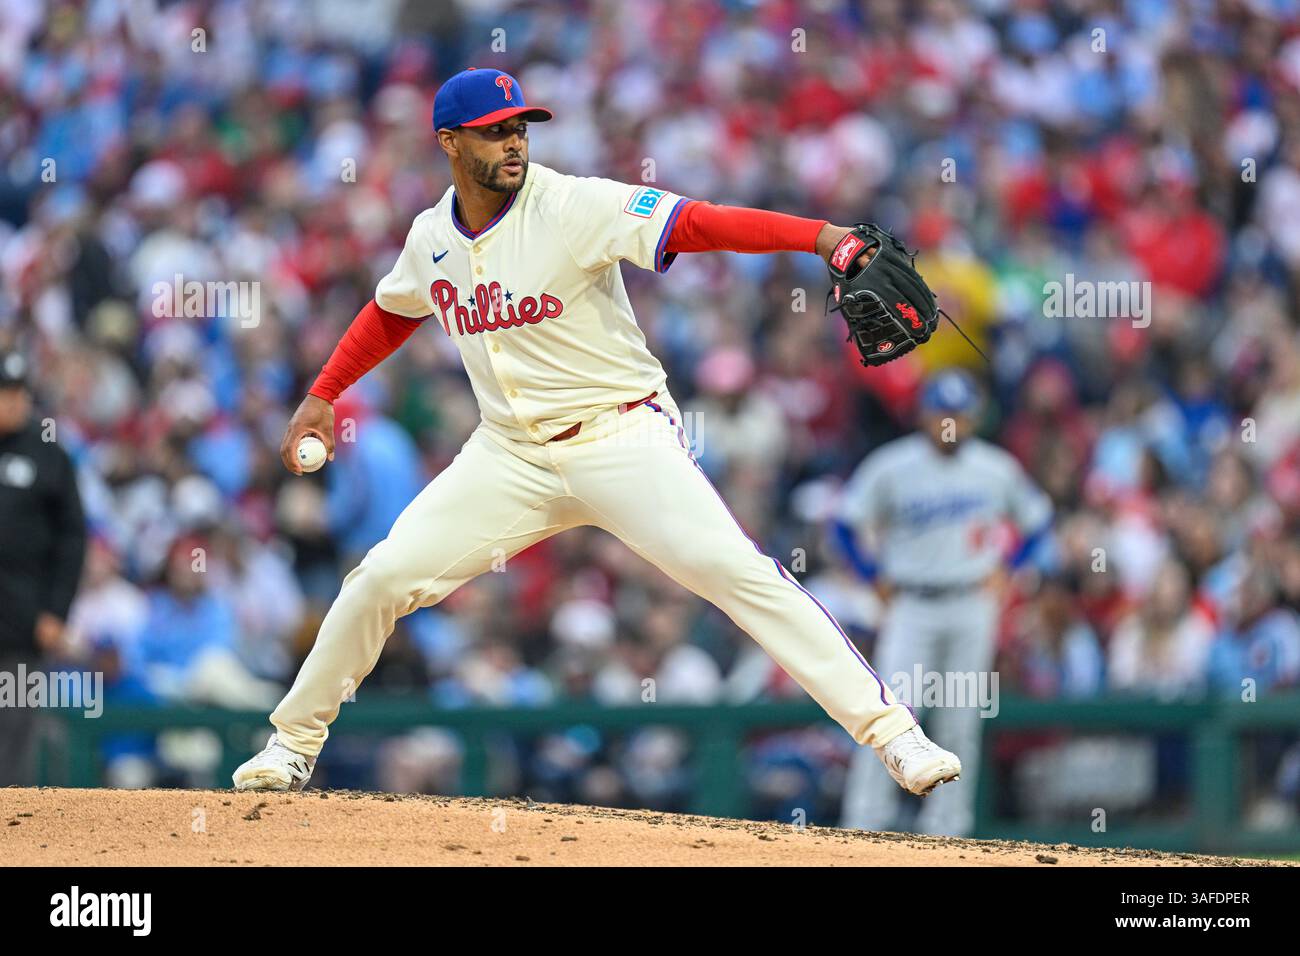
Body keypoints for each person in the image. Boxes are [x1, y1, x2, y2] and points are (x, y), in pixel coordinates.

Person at [233, 67, 959, 797]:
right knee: (381, 578)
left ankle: (893, 735)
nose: (514, 142)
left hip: (619, 437)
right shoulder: (431, 237)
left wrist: (822, 236)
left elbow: (696, 222)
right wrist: (325, 391)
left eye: (520, 126)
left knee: (734, 572)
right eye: (495, 131)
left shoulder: (574, 204)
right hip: (509, 454)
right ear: (450, 143)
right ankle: (291, 745)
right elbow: (396, 308)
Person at [836, 369, 1052, 836]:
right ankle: (865, 826)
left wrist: (1010, 566)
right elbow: (844, 523)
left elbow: (1038, 521)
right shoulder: (892, 465)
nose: (950, 423)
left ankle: (947, 834)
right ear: (924, 416)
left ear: (973, 418)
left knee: (959, 724)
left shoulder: (995, 467)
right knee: (891, 718)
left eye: (959, 414)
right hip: (912, 605)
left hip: (972, 602)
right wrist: (872, 574)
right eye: (941, 413)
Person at [0, 351, 87, 786]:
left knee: (14, 733)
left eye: (17, 394)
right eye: (3, 394)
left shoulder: (48, 451)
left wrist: (56, 611)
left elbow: (73, 536)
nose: (11, 403)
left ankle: (9, 828)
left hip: (22, 621)